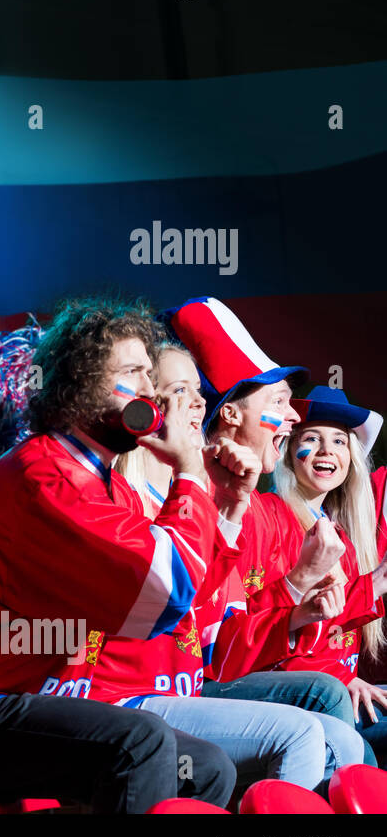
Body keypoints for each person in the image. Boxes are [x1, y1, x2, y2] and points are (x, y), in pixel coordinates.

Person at [0, 296, 235, 813]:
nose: (151, 391)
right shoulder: (46, 476)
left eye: (149, 373)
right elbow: (168, 592)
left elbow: (178, 610)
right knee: (141, 745)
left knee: (209, 768)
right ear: (79, 388)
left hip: (36, 699)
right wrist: (190, 473)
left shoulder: (109, 486)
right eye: (132, 372)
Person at [93, 345, 358, 793]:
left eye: (198, 391)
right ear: (147, 408)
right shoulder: (126, 497)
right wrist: (294, 582)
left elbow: (216, 634)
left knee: (342, 744)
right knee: (308, 725)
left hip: (183, 685)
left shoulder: (229, 501)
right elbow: (179, 612)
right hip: (128, 694)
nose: (199, 404)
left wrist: (300, 608)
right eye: (182, 391)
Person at [159, 297, 375, 775]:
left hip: (201, 677)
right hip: (164, 687)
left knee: (339, 719)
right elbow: (211, 645)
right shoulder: (242, 503)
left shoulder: (253, 502)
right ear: (232, 416)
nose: (296, 420)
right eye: (280, 403)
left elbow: (227, 634)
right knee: (329, 711)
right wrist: (301, 584)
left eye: (341, 440)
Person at [268, 387, 387, 761]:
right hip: (307, 698)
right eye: (312, 439)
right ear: (288, 451)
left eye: (339, 440)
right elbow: (271, 639)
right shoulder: (274, 518)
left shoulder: (342, 536)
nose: (326, 451)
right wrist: (342, 680)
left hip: (342, 689)